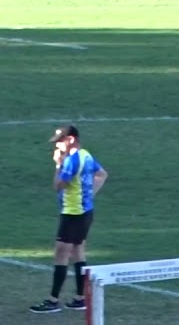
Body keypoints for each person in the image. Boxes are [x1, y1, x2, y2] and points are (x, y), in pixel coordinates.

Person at [29, 125, 108, 314]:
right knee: (78, 251)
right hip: (85, 211)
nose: (57, 145)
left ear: (71, 139)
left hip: (72, 214)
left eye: (60, 142)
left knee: (61, 254)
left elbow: (58, 185)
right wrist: (89, 195)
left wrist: (58, 164)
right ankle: (81, 298)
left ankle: (53, 300)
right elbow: (102, 174)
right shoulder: (86, 155)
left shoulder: (71, 161)